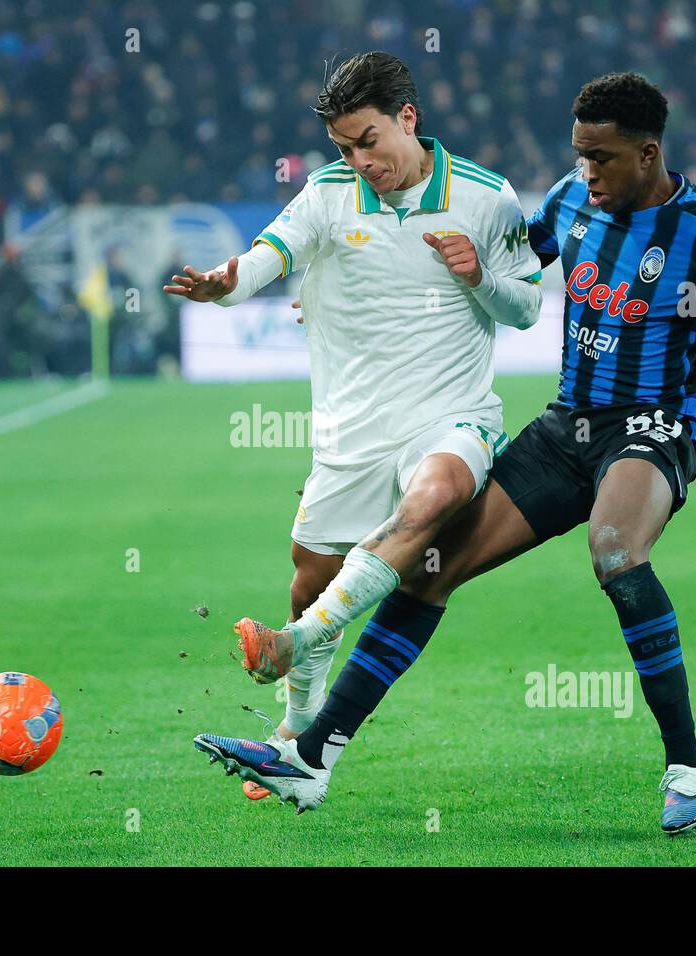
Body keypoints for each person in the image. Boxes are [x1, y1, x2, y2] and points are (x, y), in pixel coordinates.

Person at [195, 72, 696, 835]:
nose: (585, 173)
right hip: (568, 427)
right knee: (427, 570)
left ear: (648, 154)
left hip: (654, 427)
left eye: (602, 159)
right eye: (578, 156)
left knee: (614, 550)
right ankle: (311, 761)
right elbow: (507, 275)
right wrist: (337, 289)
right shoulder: (572, 199)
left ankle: (688, 769)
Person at [166, 52, 542, 768]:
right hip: (353, 430)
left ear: (408, 117)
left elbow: (525, 306)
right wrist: (226, 283)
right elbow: (269, 255)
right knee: (311, 581)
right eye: (344, 147)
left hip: (453, 413)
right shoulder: (329, 194)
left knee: (435, 495)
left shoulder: (489, 198)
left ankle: (293, 646)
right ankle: (292, 733)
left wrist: (481, 275)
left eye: (368, 140)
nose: (359, 159)